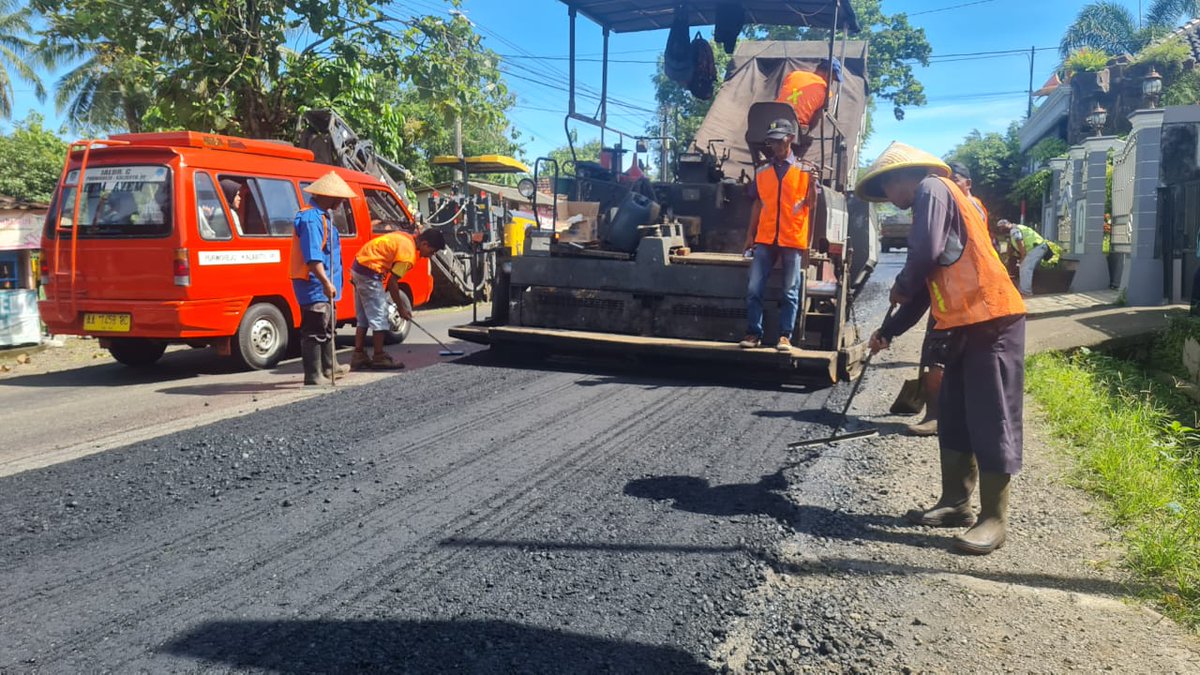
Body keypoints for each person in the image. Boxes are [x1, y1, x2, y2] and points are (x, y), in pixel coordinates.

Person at [858, 141, 1027, 556]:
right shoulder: (931, 202)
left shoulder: (933, 188)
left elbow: (924, 254)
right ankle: (956, 503)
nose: (889, 199)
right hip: (961, 326)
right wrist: (891, 330)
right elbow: (924, 288)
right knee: (953, 415)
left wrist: (901, 283)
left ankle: (994, 520)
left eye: (888, 188)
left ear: (904, 176)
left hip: (993, 320)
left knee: (991, 418)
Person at [903, 162, 987, 437]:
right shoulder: (964, 206)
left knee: (937, 355)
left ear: (968, 184)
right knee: (943, 353)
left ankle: (936, 416)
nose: (950, 184)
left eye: (956, 180)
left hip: (960, 295)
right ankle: (950, 413)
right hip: (954, 292)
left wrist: (905, 283)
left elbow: (929, 251)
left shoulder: (966, 206)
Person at [739, 118, 814, 352]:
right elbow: (757, 205)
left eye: (778, 140)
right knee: (754, 288)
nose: (774, 146)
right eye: (771, 142)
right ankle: (753, 333)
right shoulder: (762, 171)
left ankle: (785, 336)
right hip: (765, 238)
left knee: (790, 290)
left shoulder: (805, 170)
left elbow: (811, 203)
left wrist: (813, 183)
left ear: (790, 139)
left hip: (792, 238)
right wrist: (749, 236)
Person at [350, 228, 447, 370]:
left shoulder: (405, 237)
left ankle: (358, 355)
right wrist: (401, 309)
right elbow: (392, 283)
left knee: (363, 316)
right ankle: (379, 356)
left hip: (358, 266)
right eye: (431, 251)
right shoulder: (408, 255)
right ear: (425, 244)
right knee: (380, 317)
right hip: (370, 272)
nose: (430, 256)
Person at [290, 171, 353, 386]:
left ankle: (330, 366)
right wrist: (326, 282)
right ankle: (313, 375)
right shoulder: (311, 219)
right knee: (315, 328)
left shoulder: (323, 216)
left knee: (328, 325)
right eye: (341, 198)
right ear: (330, 196)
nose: (343, 202)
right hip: (314, 284)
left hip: (325, 284)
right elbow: (312, 257)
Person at [776, 58, 843, 132]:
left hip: (773, 120)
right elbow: (816, 118)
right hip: (794, 127)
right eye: (833, 78)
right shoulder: (826, 92)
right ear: (828, 74)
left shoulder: (794, 74)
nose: (832, 82)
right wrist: (808, 132)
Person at [995, 219, 1049, 296]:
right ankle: (1024, 289)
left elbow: (1021, 244)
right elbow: (1011, 247)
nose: (1001, 229)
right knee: (1024, 267)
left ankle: (1025, 292)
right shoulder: (1013, 231)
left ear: (1008, 224)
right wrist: (1008, 258)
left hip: (1037, 247)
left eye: (1003, 227)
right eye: (1000, 228)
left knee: (1025, 267)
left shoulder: (1014, 230)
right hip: (1037, 247)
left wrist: (1022, 257)